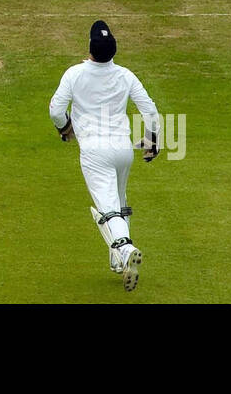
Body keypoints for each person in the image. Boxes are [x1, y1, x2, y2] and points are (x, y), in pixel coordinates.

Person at [49, 21, 160, 292]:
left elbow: (55, 110)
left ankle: (126, 249)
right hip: (123, 150)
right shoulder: (125, 75)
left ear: (90, 47)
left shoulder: (74, 74)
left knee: (108, 210)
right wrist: (152, 140)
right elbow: (149, 110)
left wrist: (65, 129)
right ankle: (118, 261)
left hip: (94, 152)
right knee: (119, 205)